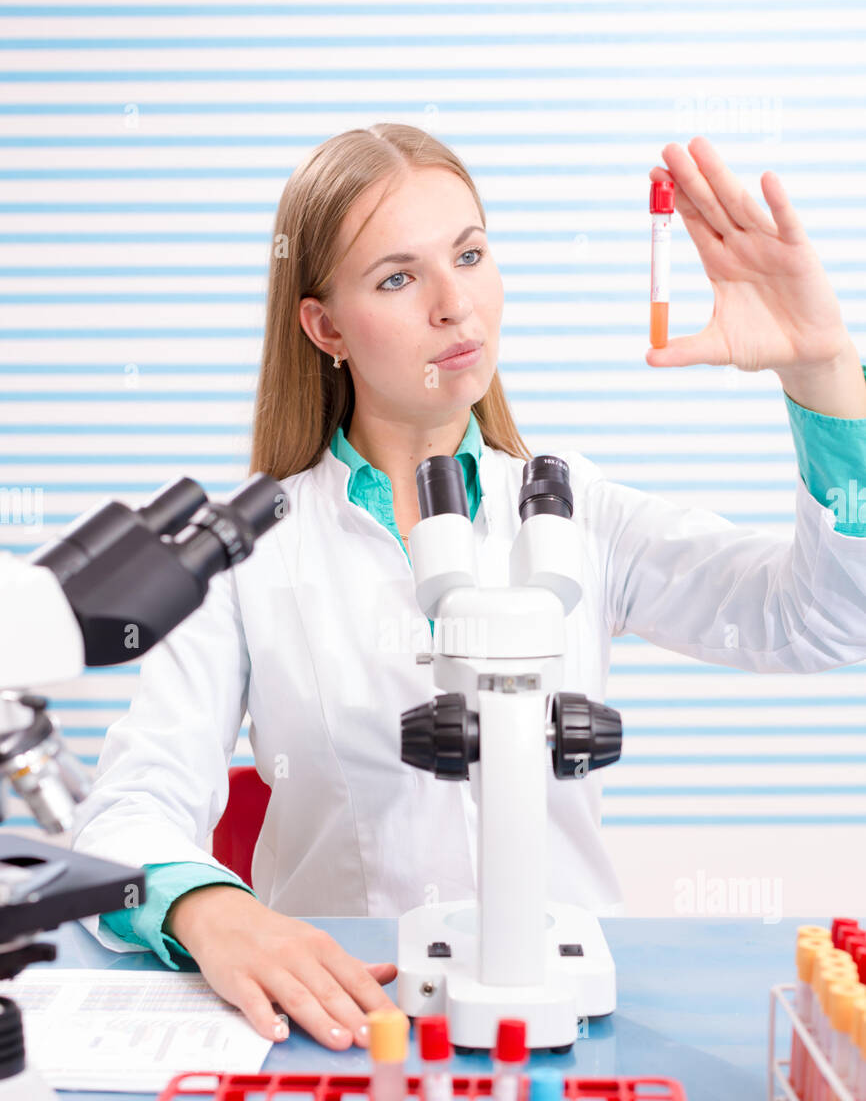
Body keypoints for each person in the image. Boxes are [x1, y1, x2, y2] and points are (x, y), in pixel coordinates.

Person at [70, 125, 866, 1052]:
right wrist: (207, 907)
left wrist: (820, 369)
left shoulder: (579, 510)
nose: (458, 305)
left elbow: (822, 620)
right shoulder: (250, 548)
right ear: (325, 326)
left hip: (570, 1030)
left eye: (471, 254)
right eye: (399, 278)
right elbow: (132, 799)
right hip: (355, 1026)